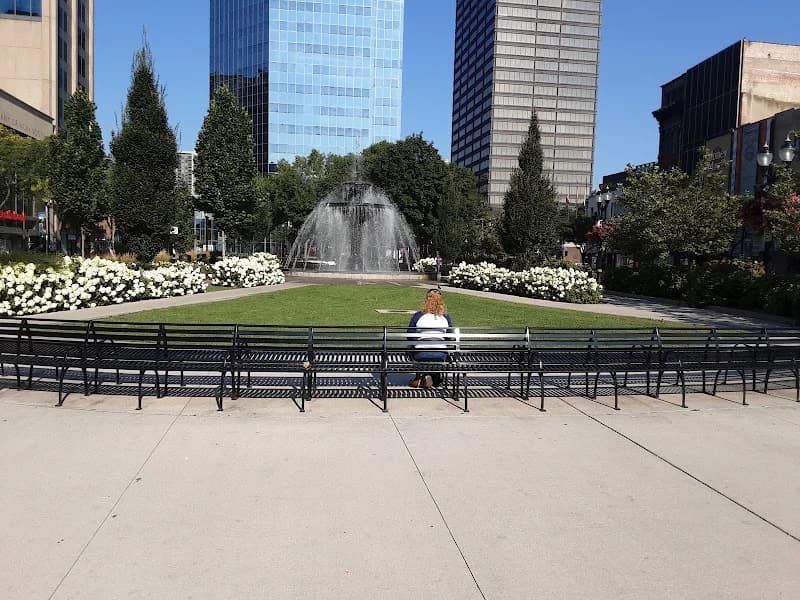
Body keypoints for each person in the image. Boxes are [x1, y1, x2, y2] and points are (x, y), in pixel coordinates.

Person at [407, 289, 453, 388]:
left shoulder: (418, 315)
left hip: (420, 353)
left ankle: (421, 376)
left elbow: (410, 335)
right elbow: (449, 337)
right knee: (436, 352)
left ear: (426, 300)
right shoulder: (445, 317)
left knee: (412, 349)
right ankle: (432, 376)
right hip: (440, 354)